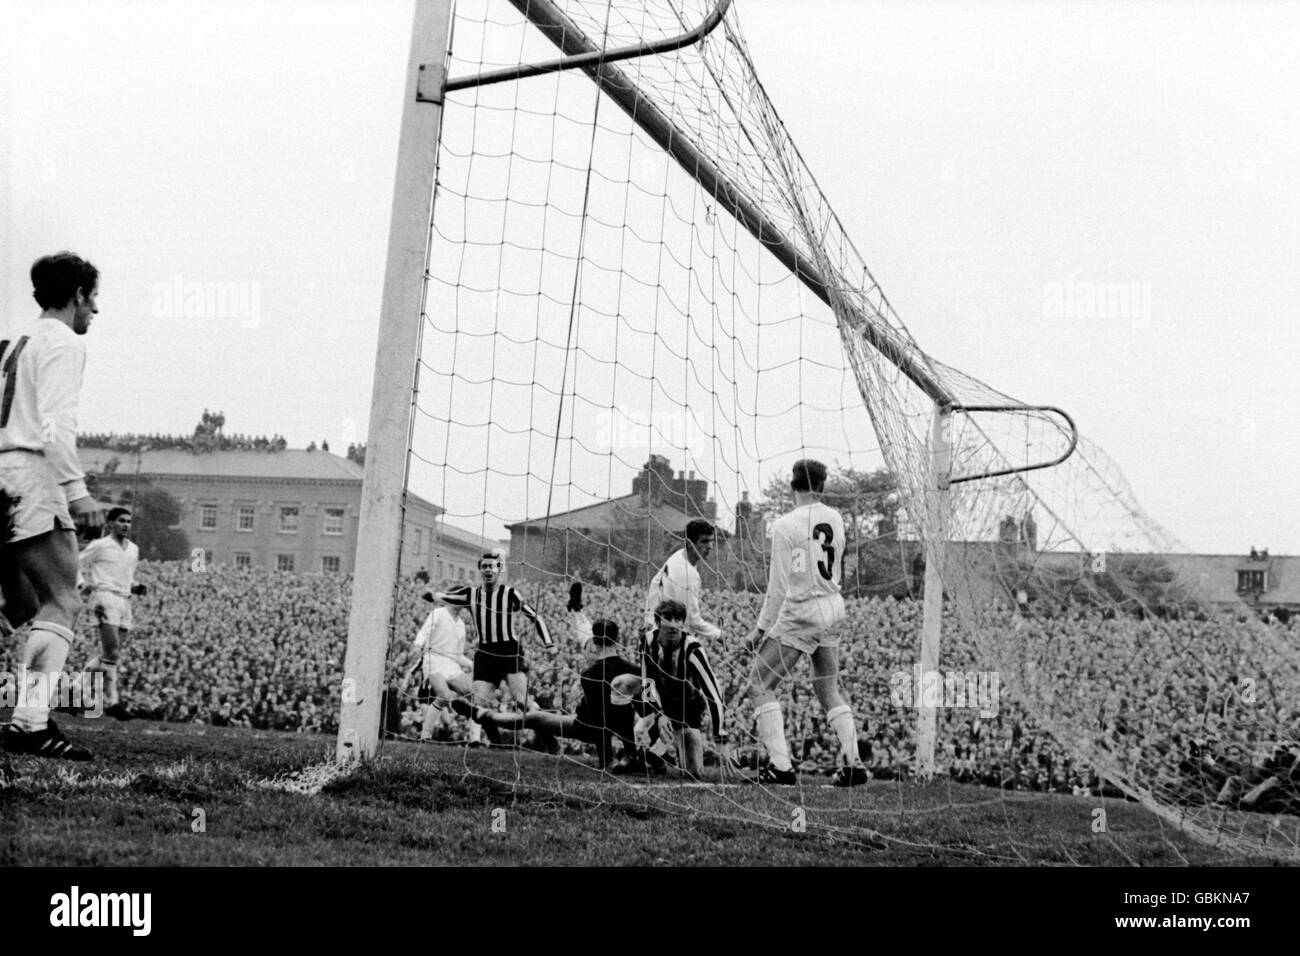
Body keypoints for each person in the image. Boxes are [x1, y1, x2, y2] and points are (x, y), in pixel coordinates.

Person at [0, 251, 105, 761]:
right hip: (29, 474)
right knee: (62, 600)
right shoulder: (62, 343)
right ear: (79, 295)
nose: (95, 311)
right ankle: (29, 722)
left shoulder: (12, 343)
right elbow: (55, 426)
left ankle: (29, 713)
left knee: (20, 603)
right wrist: (76, 489)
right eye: (94, 298)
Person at [744, 459, 869, 787]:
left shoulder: (785, 525)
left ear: (792, 486)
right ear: (823, 486)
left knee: (759, 682)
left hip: (803, 610)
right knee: (827, 687)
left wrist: (761, 628)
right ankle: (852, 762)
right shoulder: (836, 518)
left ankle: (781, 766)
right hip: (833, 606)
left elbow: (778, 585)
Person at [460, 585, 641, 769]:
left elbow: (598, 724)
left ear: (595, 642)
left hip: (586, 727)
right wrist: (631, 748)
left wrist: (606, 760)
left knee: (534, 718)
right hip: (622, 725)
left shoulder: (589, 674)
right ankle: (577, 609)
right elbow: (643, 707)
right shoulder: (634, 669)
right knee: (626, 714)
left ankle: (486, 715)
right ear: (617, 640)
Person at [423, 549, 553, 742]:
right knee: (479, 702)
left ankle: (548, 736)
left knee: (522, 700)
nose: (488, 570)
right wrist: (432, 595)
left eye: (492, 566)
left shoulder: (509, 593)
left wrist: (548, 643)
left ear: (499, 569)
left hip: (509, 651)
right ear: (480, 570)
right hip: (485, 653)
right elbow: (447, 597)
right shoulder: (471, 594)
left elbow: (534, 616)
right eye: (484, 566)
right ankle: (486, 740)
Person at [639, 599, 727, 779]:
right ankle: (637, 750)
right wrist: (658, 714)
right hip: (661, 703)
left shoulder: (693, 648)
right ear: (658, 621)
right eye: (668, 618)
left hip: (688, 708)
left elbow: (712, 693)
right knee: (626, 683)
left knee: (693, 773)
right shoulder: (648, 642)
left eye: (678, 619)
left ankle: (660, 750)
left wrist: (720, 737)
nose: (673, 625)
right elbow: (647, 682)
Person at [78, 506, 147, 720]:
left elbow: (127, 576)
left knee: (110, 655)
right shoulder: (100, 545)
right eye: (121, 521)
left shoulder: (133, 549)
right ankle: (112, 702)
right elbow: (75, 564)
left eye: (129, 521)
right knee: (112, 654)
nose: (126, 525)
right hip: (104, 597)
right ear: (110, 523)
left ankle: (72, 690)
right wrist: (82, 584)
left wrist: (135, 586)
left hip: (125, 600)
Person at [411, 603, 482, 742]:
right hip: (433, 660)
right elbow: (424, 633)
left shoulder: (461, 624)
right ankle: (425, 735)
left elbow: (458, 655)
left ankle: (475, 739)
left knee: (475, 695)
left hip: (451, 664)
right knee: (444, 695)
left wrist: (473, 665)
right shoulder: (438, 613)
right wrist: (417, 645)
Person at [643, 519, 720, 641]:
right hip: (668, 638)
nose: (709, 546)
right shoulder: (687, 574)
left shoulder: (679, 555)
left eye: (711, 541)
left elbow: (655, 583)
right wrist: (719, 635)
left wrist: (648, 619)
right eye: (704, 541)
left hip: (656, 630)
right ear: (689, 543)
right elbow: (693, 621)